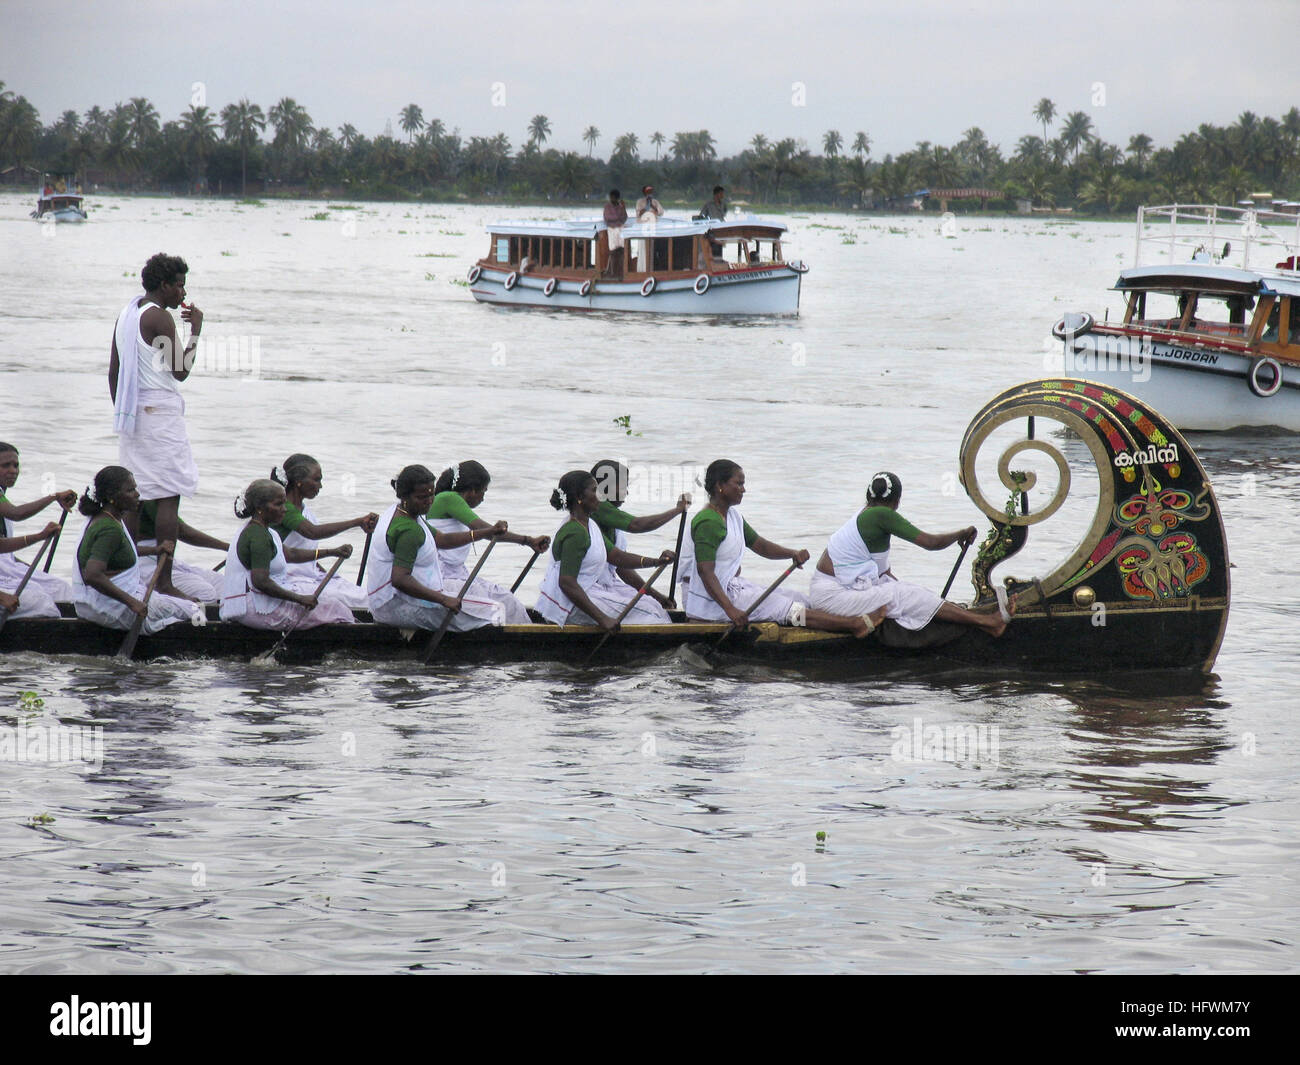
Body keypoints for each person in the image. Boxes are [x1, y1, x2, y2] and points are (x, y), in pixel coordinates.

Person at [677, 460, 874, 637]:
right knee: (789, 610)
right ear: (720, 486)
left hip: (734, 590)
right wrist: (730, 610)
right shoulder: (708, 522)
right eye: (739, 483)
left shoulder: (734, 516)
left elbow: (761, 546)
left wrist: (792, 554)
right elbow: (705, 572)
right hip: (712, 606)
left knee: (800, 599)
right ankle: (854, 626)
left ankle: (851, 615)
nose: (744, 489)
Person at [810, 472, 1013, 637]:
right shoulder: (881, 514)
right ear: (897, 502)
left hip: (830, 594)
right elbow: (931, 543)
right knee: (904, 594)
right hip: (832, 597)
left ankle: (960, 615)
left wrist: (924, 599)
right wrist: (961, 533)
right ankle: (988, 622)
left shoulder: (866, 514)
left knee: (908, 591)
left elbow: (885, 575)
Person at [108, 252, 204, 602]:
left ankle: (130, 572)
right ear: (163, 285)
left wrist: (124, 410)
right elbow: (181, 370)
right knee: (168, 494)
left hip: (133, 412)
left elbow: (114, 371)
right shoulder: (160, 317)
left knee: (135, 496)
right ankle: (163, 581)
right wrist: (196, 331)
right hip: (160, 412)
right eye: (178, 285)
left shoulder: (127, 314)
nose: (183, 292)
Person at [536, 470, 674, 629]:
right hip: (569, 604)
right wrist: (603, 619)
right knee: (650, 613)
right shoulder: (574, 532)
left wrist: (656, 562)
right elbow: (566, 582)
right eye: (595, 490)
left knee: (652, 604)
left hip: (584, 594)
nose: (601, 496)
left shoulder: (590, 525)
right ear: (580, 497)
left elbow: (617, 557)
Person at [366, 465, 493, 632]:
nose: (429, 501)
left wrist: (487, 532)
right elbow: (400, 579)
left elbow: (442, 539)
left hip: (384, 603)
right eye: (421, 497)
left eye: (431, 494)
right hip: (397, 608)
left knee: (479, 603)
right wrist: (444, 600)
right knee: (494, 610)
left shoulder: (398, 513)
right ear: (404, 496)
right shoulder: (409, 530)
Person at [71, 466, 198, 632]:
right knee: (196, 610)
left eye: (136, 489)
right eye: (130, 490)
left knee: (175, 609)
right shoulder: (109, 529)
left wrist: (156, 550)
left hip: (95, 605)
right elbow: (92, 575)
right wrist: (132, 603)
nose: (137, 494)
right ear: (111, 496)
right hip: (113, 609)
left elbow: (118, 551)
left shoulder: (102, 517)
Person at [219, 479, 355, 630]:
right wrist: (300, 599)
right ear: (259, 508)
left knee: (329, 604)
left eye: (284, 503)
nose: (284, 509)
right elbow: (260, 582)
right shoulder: (258, 536)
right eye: (278, 504)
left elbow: (291, 554)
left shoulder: (264, 530)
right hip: (253, 608)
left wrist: (332, 552)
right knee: (336, 609)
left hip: (252, 602)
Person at [426, 460, 547, 625]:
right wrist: (528, 540)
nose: (483, 498)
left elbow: (486, 532)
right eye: (484, 491)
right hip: (441, 576)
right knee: (503, 605)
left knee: (507, 600)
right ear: (472, 490)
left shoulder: (448, 500)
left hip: (456, 573)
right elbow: (486, 531)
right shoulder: (449, 498)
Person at [270, 454, 377, 611]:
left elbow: (306, 551)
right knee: (359, 600)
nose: (320, 486)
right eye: (316, 480)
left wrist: (327, 575)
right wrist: (357, 522)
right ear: (299, 481)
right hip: (287, 578)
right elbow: (313, 532)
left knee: (365, 596)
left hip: (308, 575)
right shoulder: (284, 509)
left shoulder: (305, 511)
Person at [589, 459, 690, 611]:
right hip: (590, 588)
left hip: (605, 584)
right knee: (651, 611)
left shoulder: (611, 522)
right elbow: (637, 525)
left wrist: (655, 596)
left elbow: (621, 567)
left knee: (653, 605)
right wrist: (677, 510)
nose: (626, 492)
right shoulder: (599, 508)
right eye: (622, 486)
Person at [0, 441, 75, 618]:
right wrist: (54, 497)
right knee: (41, 602)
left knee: (62, 589)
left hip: (8, 569)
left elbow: (6, 555)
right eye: (5, 466)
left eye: (16, 465)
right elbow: (17, 513)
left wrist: (31, 569)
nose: (13, 471)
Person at [129, 499, 227, 603]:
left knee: (223, 584)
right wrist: (228, 547)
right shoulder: (151, 496)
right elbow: (182, 531)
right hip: (145, 562)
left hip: (166, 560)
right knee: (206, 593)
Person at [602, 189, 628, 279]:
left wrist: (623, 208)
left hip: (620, 229)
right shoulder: (607, 206)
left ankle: (621, 271)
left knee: (621, 250)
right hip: (611, 229)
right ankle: (612, 272)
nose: (611, 199)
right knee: (613, 251)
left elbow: (624, 217)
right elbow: (608, 217)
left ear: (617, 198)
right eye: (611, 197)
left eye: (613, 197)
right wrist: (618, 220)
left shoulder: (621, 206)